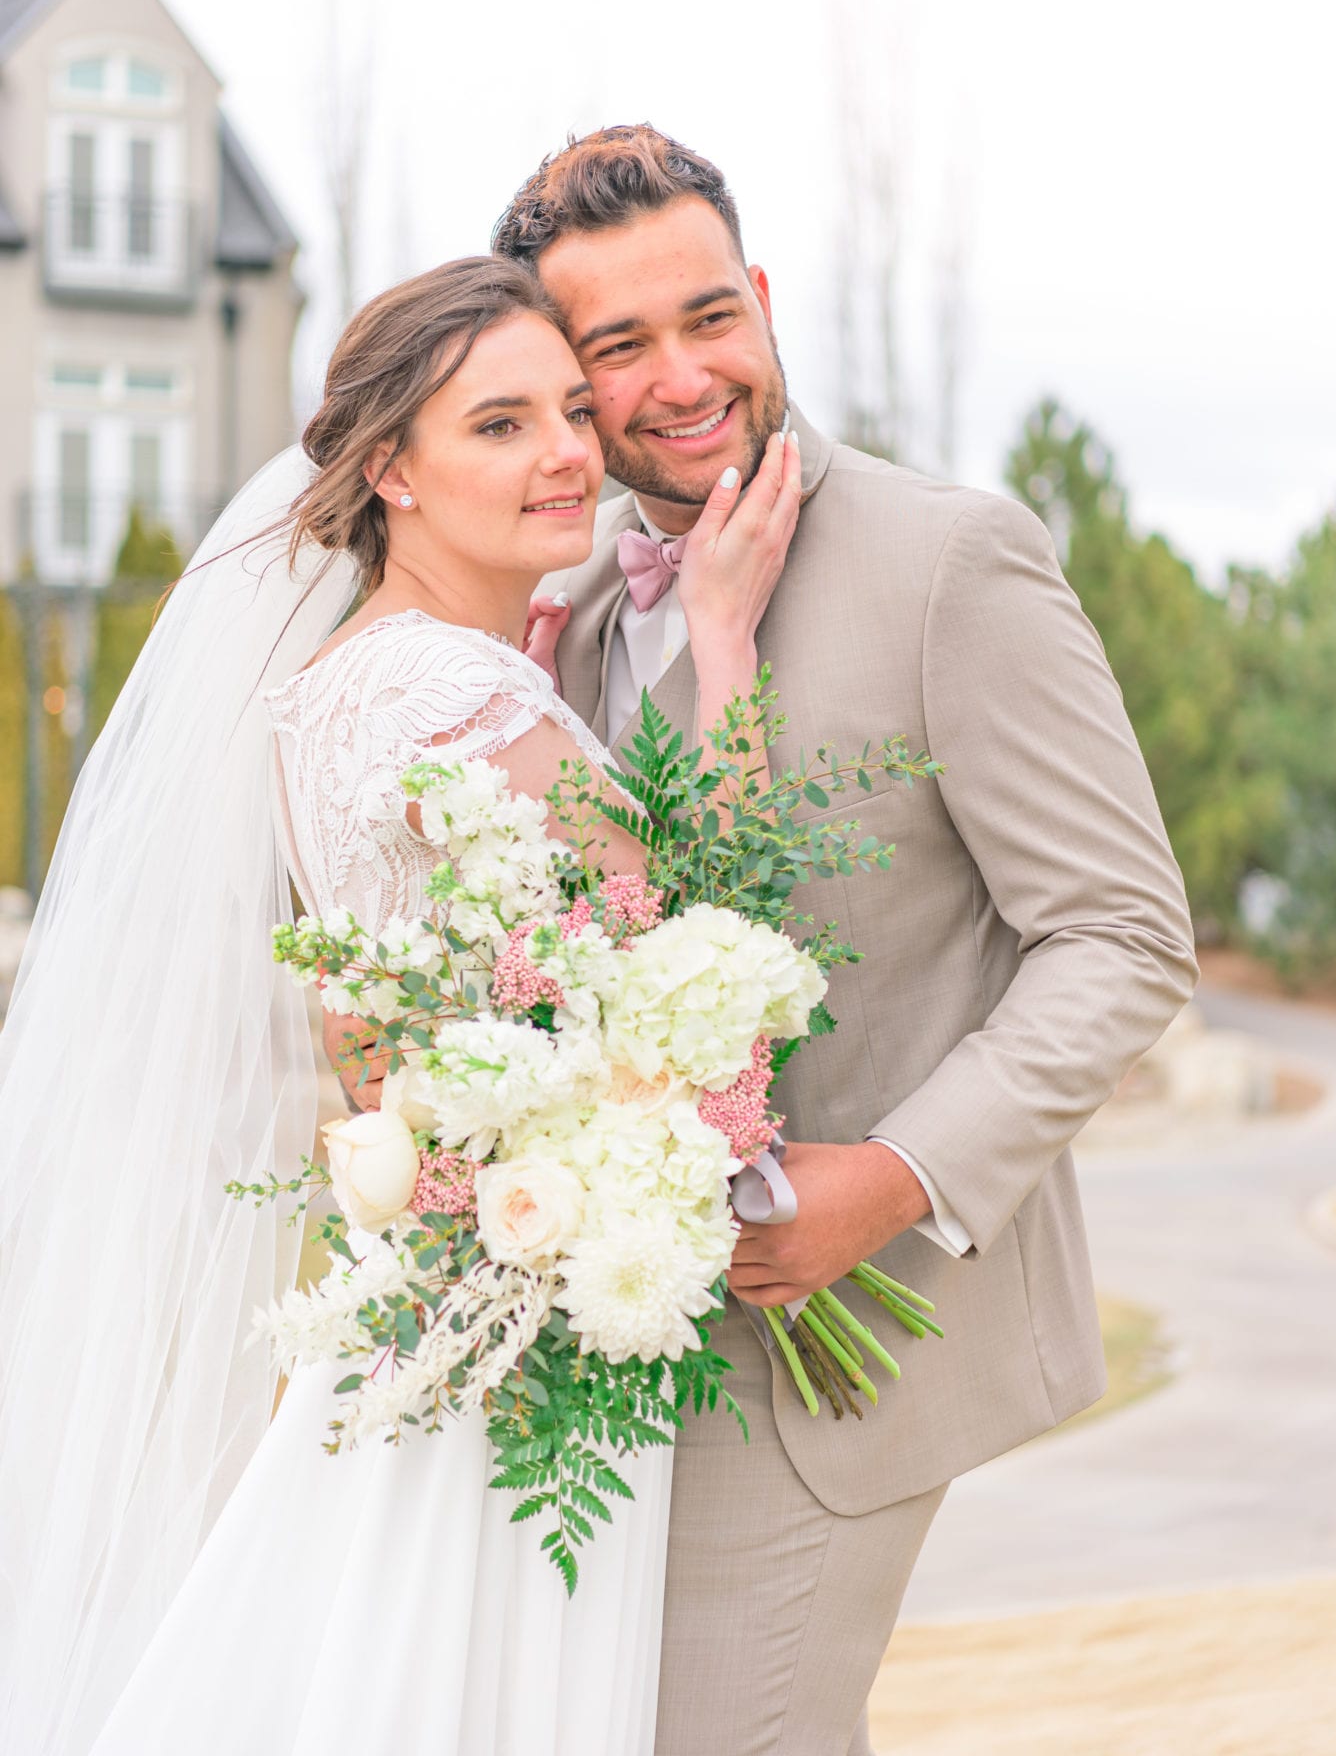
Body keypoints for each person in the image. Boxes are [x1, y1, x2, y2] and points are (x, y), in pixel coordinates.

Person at [0, 253, 801, 1755]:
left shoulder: (350, 680)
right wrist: (731, 636)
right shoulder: (449, 694)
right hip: (525, 1333)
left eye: (574, 410)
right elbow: (712, 949)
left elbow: (373, 1031)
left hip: (444, 1301)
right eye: (500, 427)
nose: (568, 453)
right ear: (394, 471)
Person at [479, 124, 1201, 1756]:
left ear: (765, 296)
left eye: (710, 315)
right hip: (611, 1350)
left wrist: (889, 1182)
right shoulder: (570, 593)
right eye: (619, 345)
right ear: (567, 378)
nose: (682, 374)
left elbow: (1123, 936)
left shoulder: (952, 559)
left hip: (838, 1354)